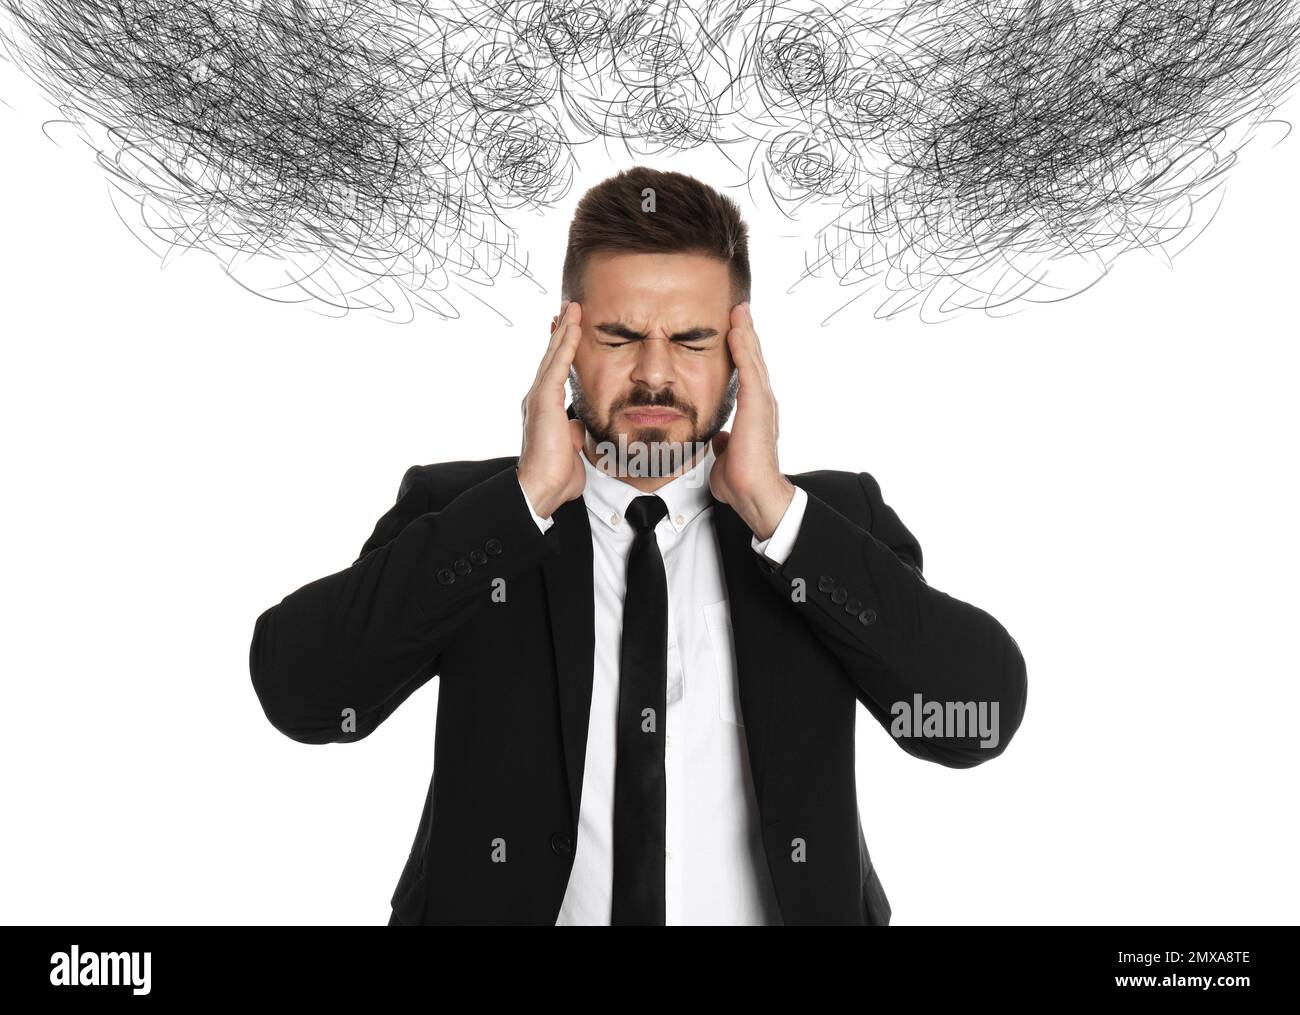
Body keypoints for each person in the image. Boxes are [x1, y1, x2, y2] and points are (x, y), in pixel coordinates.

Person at [248, 166, 1028, 925]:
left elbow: (978, 717)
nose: (654, 374)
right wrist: (521, 504)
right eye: (620, 336)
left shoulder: (827, 520)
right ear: (566, 341)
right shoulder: (465, 514)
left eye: (691, 340)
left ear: (739, 357)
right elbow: (303, 692)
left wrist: (777, 512)